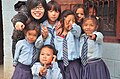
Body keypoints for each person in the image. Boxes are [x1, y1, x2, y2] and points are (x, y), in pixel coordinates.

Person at [54, 10, 82, 79]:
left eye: (73, 21)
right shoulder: (57, 33)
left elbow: (77, 31)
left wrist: (72, 26)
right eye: (68, 21)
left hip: (73, 64)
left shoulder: (74, 32)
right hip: (60, 64)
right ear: (63, 20)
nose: (71, 23)